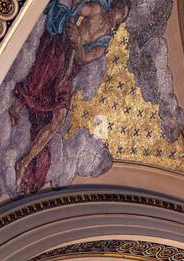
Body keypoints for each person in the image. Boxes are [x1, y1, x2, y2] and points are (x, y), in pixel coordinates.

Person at [9, 0, 130, 195]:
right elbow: (76, 9)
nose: (116, 15)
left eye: (121, 15)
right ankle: (15, 110)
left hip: (69, 73)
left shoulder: (105, 41)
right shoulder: (98, 10)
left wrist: (78, 42)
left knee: (58, 119)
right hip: (58, 51)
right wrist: (70, 28)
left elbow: (84, 58)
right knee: (37, 86)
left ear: (120, 20)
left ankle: (24, 162)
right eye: (117, 9)